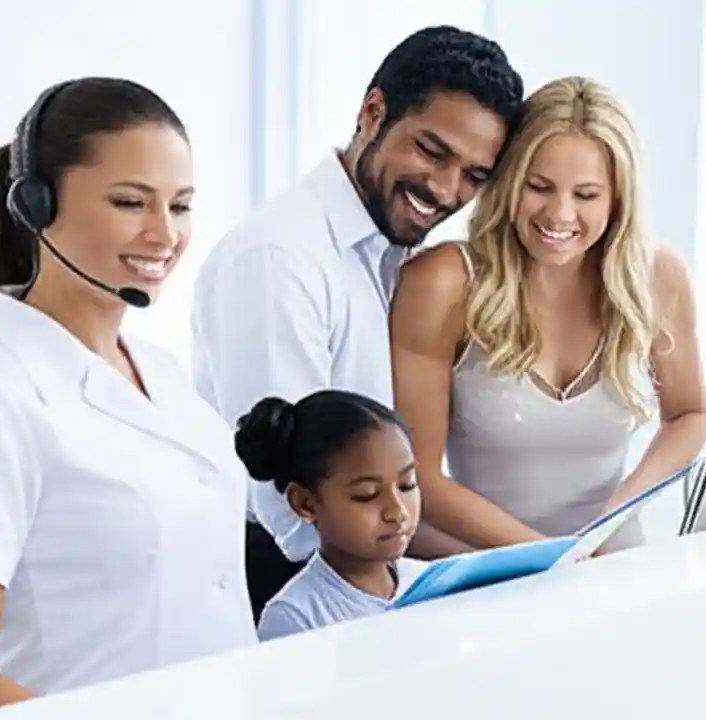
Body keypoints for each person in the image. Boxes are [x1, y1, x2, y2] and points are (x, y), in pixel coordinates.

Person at [0, 78, 255, 718]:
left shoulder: (161, 375)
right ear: (36, 205)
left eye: (180, 206)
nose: (164, 234)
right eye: (130, 202)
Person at [191, 25, 524, 614]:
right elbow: (294, 515)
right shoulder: (280, 260)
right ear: (372, 112)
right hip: (288, 595)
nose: (446, 190)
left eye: (474, 176)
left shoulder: (398, 257)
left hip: (370, 582)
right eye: (431, 150)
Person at [389, 76, 706, 554]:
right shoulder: (443, 283)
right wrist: (554, 559)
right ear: (509, 182)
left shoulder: (658, 276)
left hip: (615, 564)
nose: (560, 215)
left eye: (586, 195)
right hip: (494, 571)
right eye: (539, 187)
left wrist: (615, 516)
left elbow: (689, 413)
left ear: (617, 198)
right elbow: (419, 477)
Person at [233, 390, 421, 642]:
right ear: (305, 504)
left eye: (407, 484)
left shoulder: (430, 581)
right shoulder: (295, 618)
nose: (397, 512)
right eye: (367, 494)